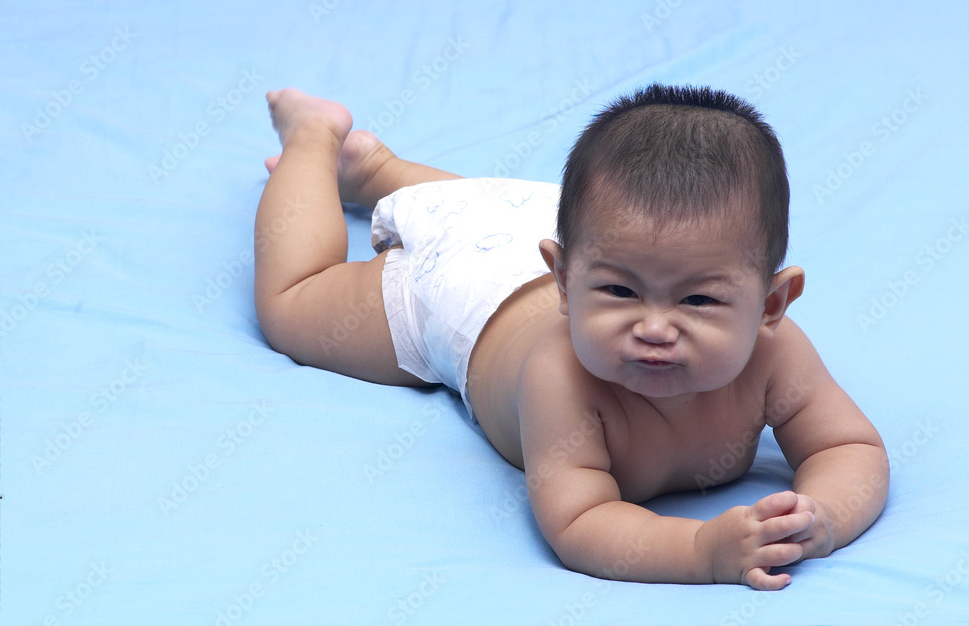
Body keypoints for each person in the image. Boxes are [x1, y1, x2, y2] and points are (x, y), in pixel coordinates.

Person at [253, 84, 888, 590]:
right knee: (292, 304)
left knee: (474, 206)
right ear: (563, 279)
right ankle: (314, 138)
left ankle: (377, 169)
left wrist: (825, 516)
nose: (654, 328)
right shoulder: (561, 379)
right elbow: (580, 522)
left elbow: (849, 446)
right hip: (462, 291)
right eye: (620, 293)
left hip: (541, 224)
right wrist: (700, 550)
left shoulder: (774, 353)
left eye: (698, 300)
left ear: (771, 304)